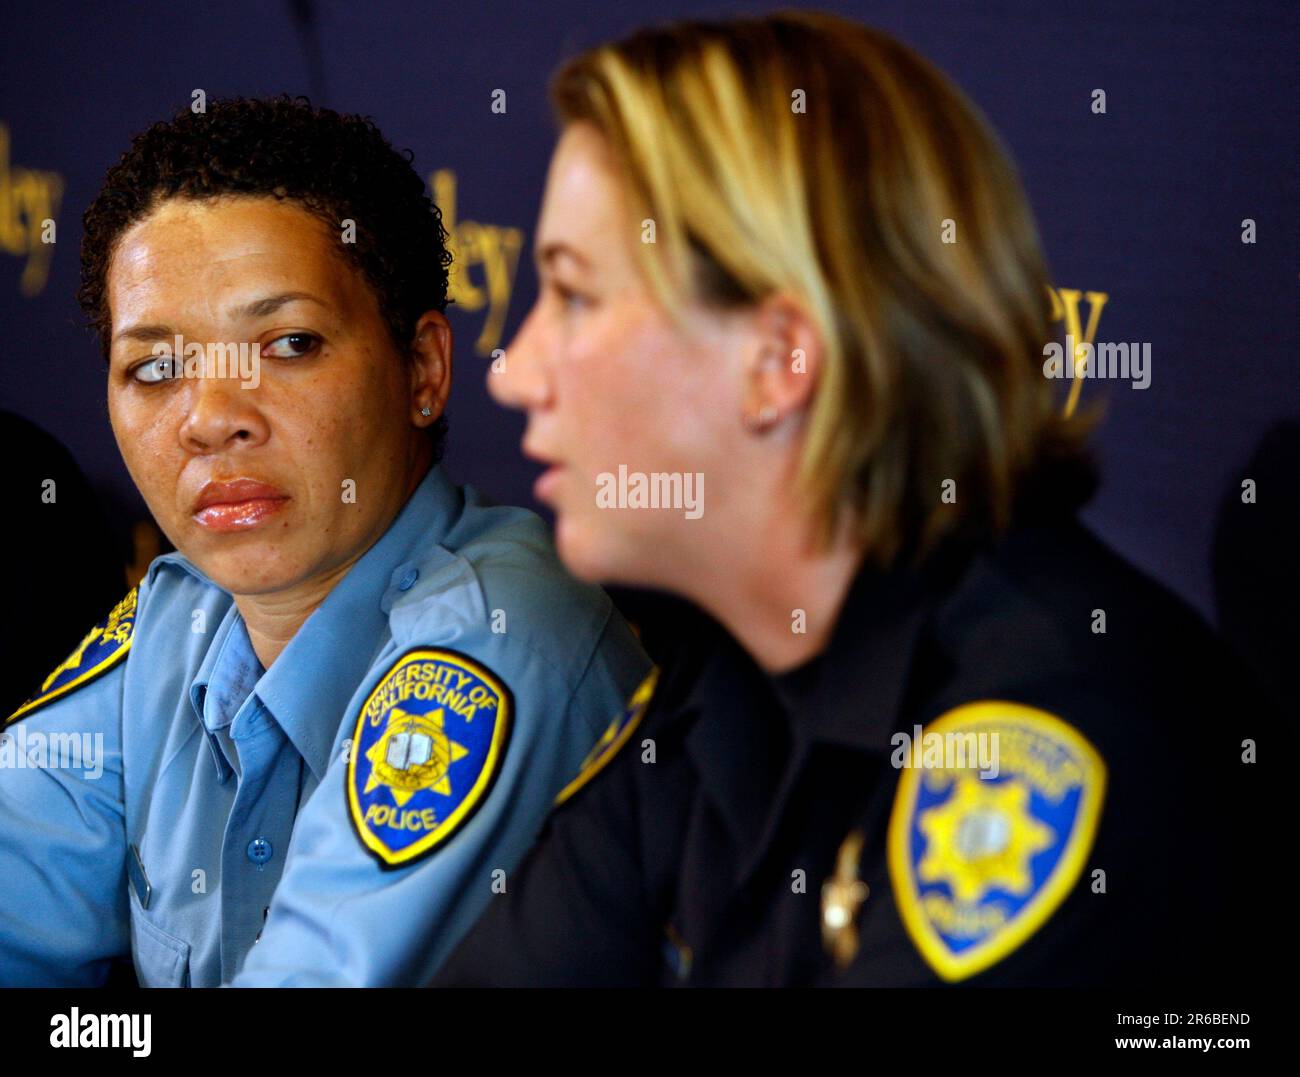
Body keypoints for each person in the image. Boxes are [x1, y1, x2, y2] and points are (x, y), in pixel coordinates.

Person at [433, 13, 1263, 986]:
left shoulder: (1049, 735)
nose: (513, 371)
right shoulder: (717, 680)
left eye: (574, 296)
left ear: (779, 361)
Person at [0, 97, 649, 987]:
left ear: (422, 369)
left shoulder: (496, 644)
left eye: (289, 343)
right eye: (156, 366)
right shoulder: (174, 620)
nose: (211, 419)